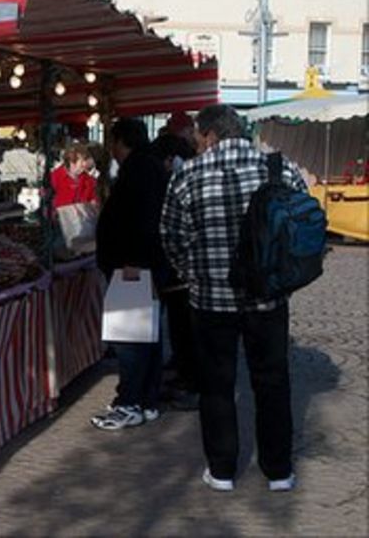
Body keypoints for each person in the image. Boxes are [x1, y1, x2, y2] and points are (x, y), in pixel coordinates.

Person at [160, 104, 307, 493]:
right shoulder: (279, 166)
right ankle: (278, 472)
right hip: (267, 298)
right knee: (273, 382)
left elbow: (170, 235)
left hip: (211, 300)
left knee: (217, 385)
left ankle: (222, 471)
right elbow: (302, 223)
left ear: (209, 135)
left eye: (197, 137)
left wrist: (192, 274)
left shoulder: (188, 174)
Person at [91, 118, 171, 431]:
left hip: (134, 267)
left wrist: (133, 260)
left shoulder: (139, 170)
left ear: (122, 141)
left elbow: (141, 220)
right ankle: (147, 400)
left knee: (130, 338)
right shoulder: (150, 167)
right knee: (147, 335)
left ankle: (129, 403)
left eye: (113, 142)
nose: (111, 149)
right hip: (144, 264)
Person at [149, 134, 199, 411]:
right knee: (184, 330)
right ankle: (187, 375)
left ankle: (190, 382)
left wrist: (176, 266)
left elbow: (171, 232)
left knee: (184, 330)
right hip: (189, 274)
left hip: (183, 276)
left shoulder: (182, 181)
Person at [50, 142, 98, 209]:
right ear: (71, 162)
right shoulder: (54, 177)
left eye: (85, 160)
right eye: (81, 161)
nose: (84, 164)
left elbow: (95, 203)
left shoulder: (90, 181)